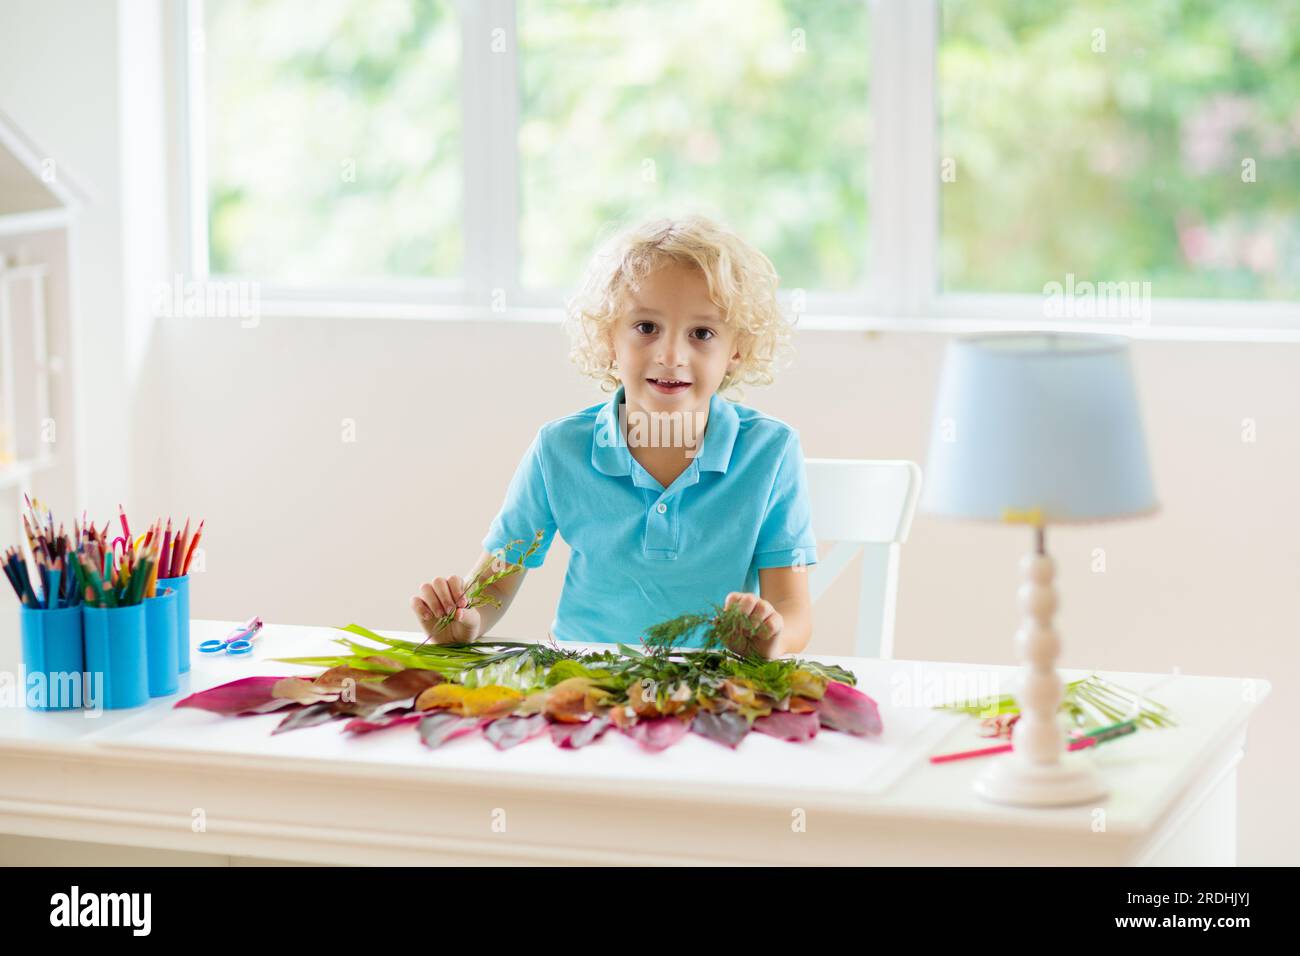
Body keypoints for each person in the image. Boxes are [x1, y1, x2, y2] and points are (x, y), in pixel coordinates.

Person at [411, 215, 818, 657]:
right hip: (584, 680)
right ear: (609, 338)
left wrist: (771, 639)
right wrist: (465, 621)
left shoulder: (771, 453)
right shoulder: (558, 450)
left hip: (710, 686)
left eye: (702, 333)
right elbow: (495, 580)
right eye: (646, 328)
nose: (671, 355)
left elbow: (792, 607)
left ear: (736, 349)